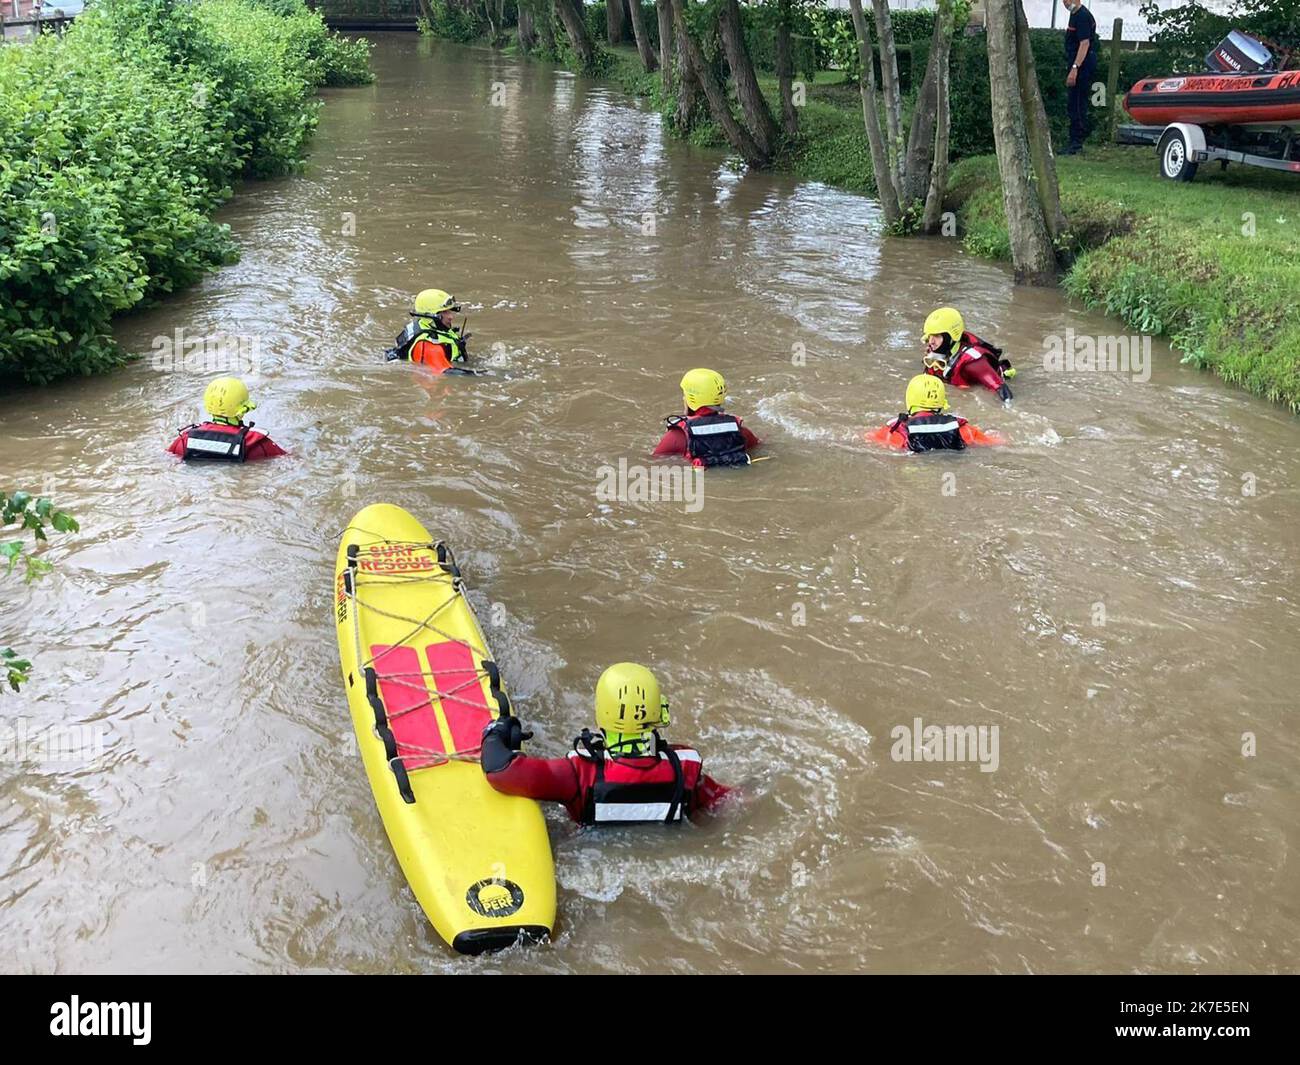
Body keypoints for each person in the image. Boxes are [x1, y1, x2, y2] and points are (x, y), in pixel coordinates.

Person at [480, 663, 729, 825]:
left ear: (602, 714)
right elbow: (726, 802)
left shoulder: (578, 773)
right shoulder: (685, 767)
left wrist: (495, 731)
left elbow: (501, 771)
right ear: (657, 713)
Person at [652, 368, 762, 467]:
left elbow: (653, 462)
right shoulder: (740, 431)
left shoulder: (677, 437)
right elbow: (759, 446)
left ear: (690, 399)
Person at [866, 374, 1003, 453]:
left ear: (910, 398)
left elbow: (865, 439)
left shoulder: (895, 432)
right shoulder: (962, 429)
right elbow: (997, 443)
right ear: (941, 401)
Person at [167, 377, 286, 462]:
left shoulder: (184, 440)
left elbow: (168, 458)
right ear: (243, 411)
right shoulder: (258, 444)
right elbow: (288, 459)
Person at [922, 307, 1014, 401]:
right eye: (930, 336)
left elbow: (1002, 390)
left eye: (936, 336)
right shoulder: (935, 350)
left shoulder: (973, 363)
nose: (931, 342)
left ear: (950, 337)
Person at [384, 288, 471, 373]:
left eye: (450, 311)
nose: (451, 317)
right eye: (444, 312)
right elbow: (446, 372)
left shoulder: (429, 325)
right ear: (429, 316)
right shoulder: (430, 346)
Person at [1063, 0, 1099, 155]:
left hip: (1081, 65)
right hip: (1076, 62)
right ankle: (1074, 140)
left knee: (1077, 103)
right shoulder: (1074, 14)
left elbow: (1084, 44)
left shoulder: (1083, 16)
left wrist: (1075, 68)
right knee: (1073, 102)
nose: (1065, 3)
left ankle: (1076, 143)